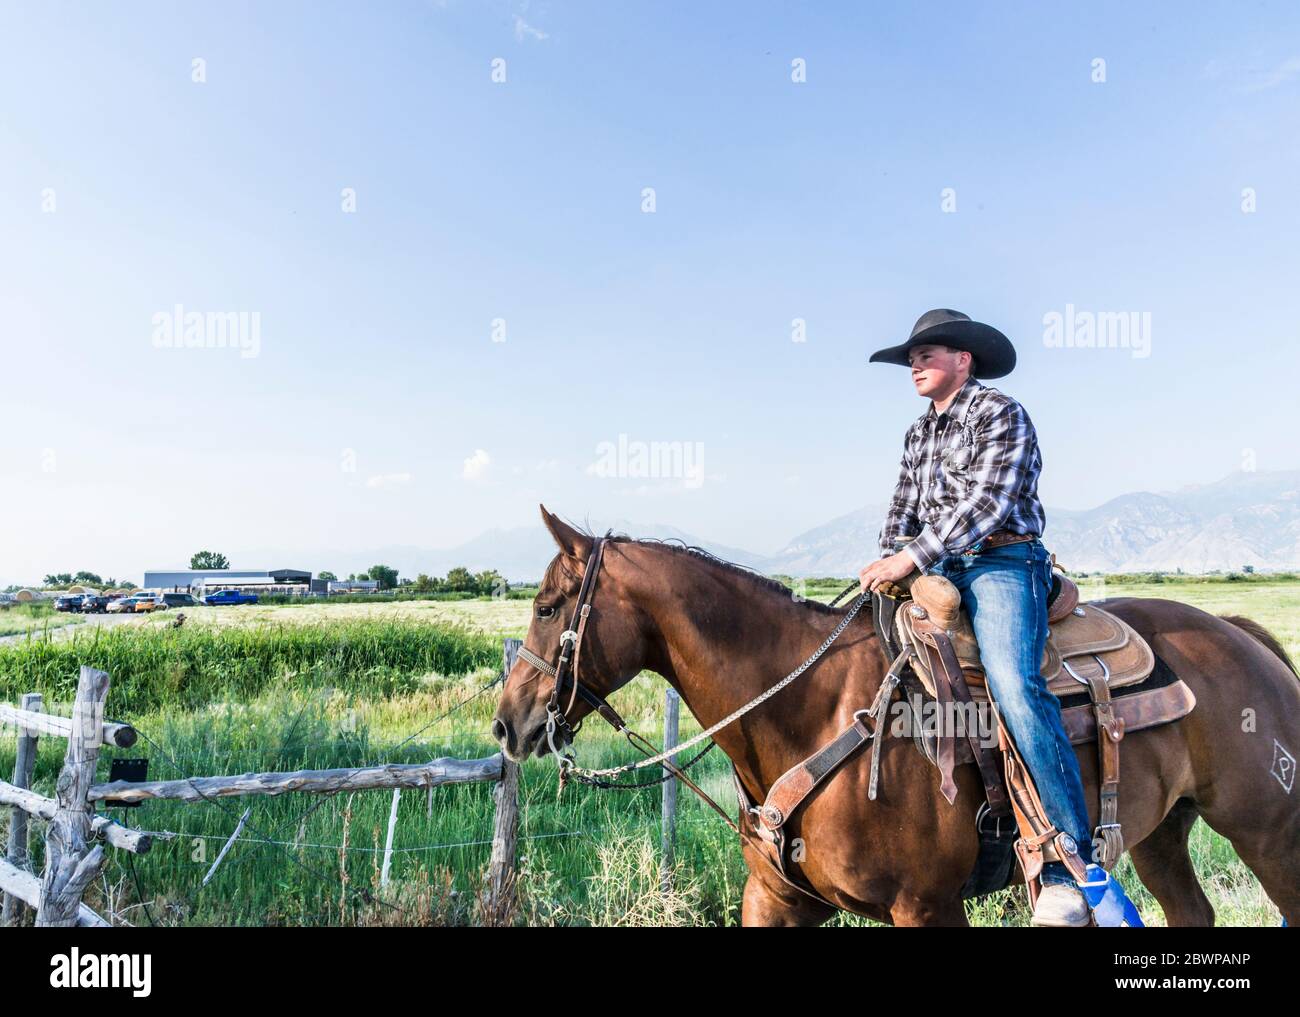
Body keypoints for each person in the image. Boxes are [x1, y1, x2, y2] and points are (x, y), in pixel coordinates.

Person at [858, 308, 1139, 927]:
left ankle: (1072, 862)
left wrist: (911, 555)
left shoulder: (998, 413)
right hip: (936, 568)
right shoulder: (916, 434)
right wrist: (889, 561)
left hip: (1003, 561)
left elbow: (988, 503)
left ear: (965, 359)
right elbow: (903, 507)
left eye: (927, 354)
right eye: (911, 357)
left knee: (1013, 684)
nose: (915, 365)